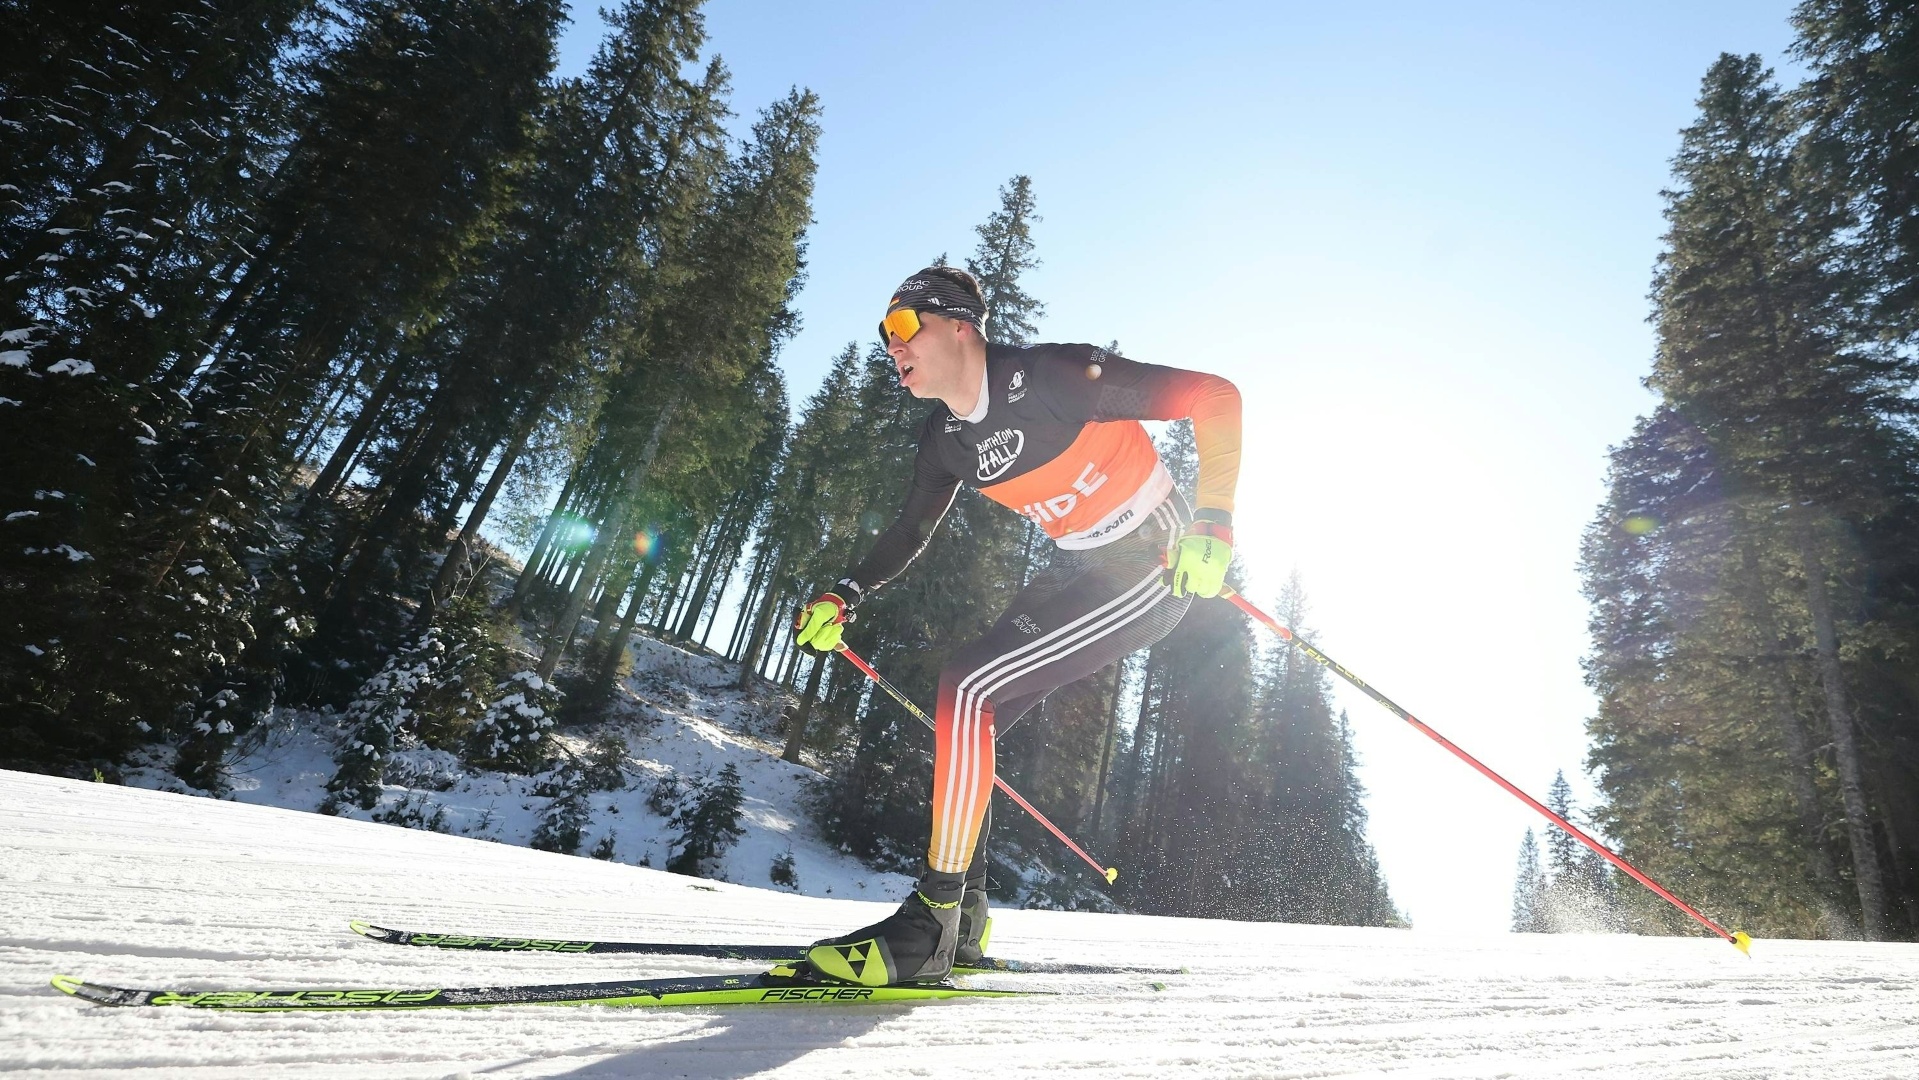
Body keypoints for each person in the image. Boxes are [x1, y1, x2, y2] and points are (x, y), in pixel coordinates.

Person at [791, 266, 1242, 986]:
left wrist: (1213, 522)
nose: (891, 345)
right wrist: (844, 594)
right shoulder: (945, 440)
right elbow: (910, 529)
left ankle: (928, 926)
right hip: (1076, 569)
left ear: (959, 325)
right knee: (967, 714)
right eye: (883, 335)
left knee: (967, 685)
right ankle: (963, 919)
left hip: (1149, 561)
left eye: (903, 325)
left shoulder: (1052, 378)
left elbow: (1213, 396)